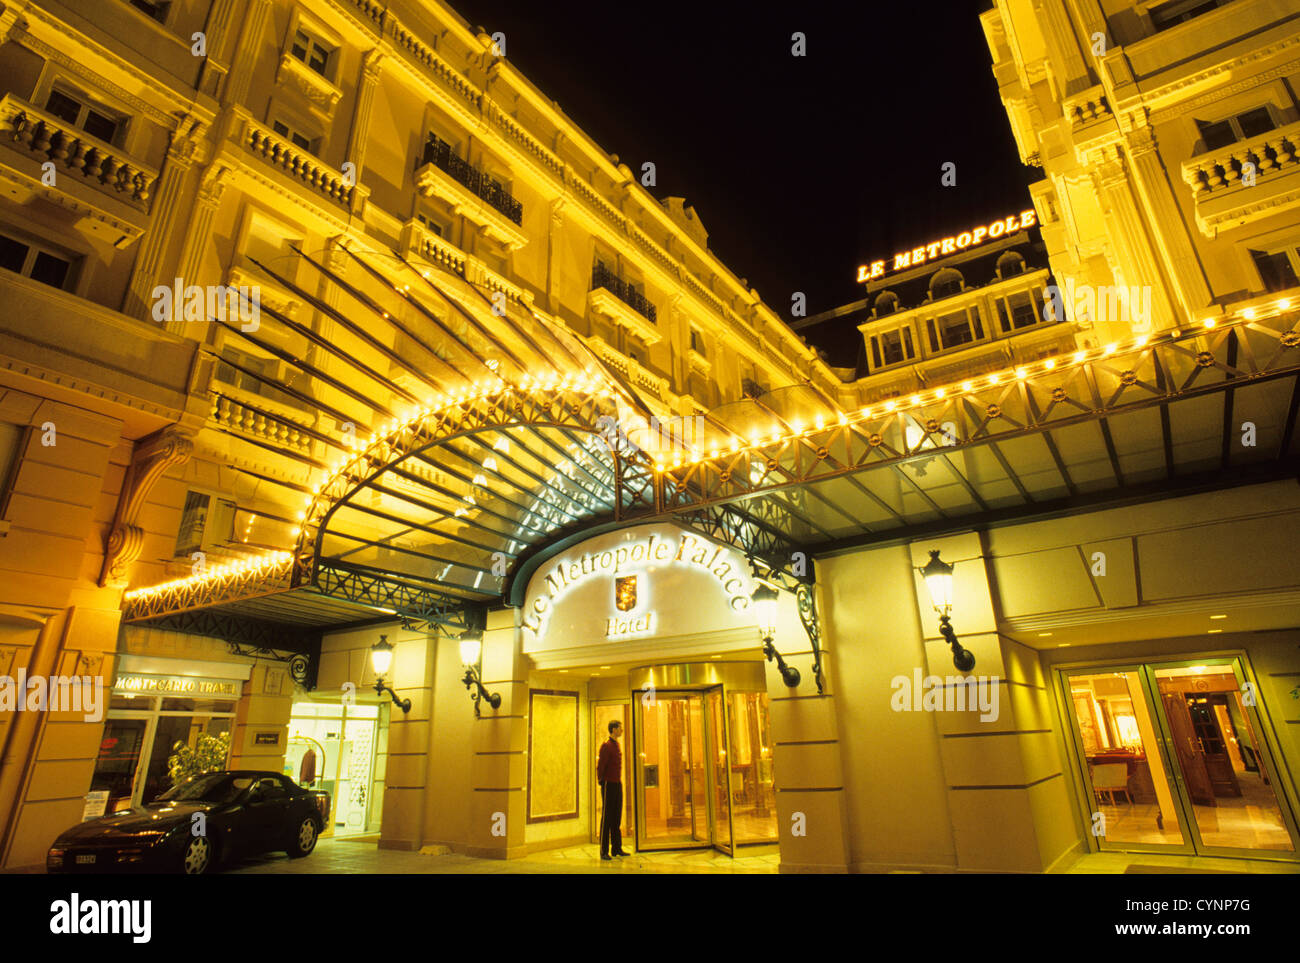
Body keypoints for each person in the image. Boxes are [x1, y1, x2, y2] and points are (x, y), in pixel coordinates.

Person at [597, 719, 629, 859]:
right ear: (614, 729)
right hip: (609, 784)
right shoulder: (606, 745)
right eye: (620, 728)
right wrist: (602, 782)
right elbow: (601, 766)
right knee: (607, 818)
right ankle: (604, 851)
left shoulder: (617, 745)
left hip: (617, 784)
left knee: (616, 817)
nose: (622, 730)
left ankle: (617, 848)